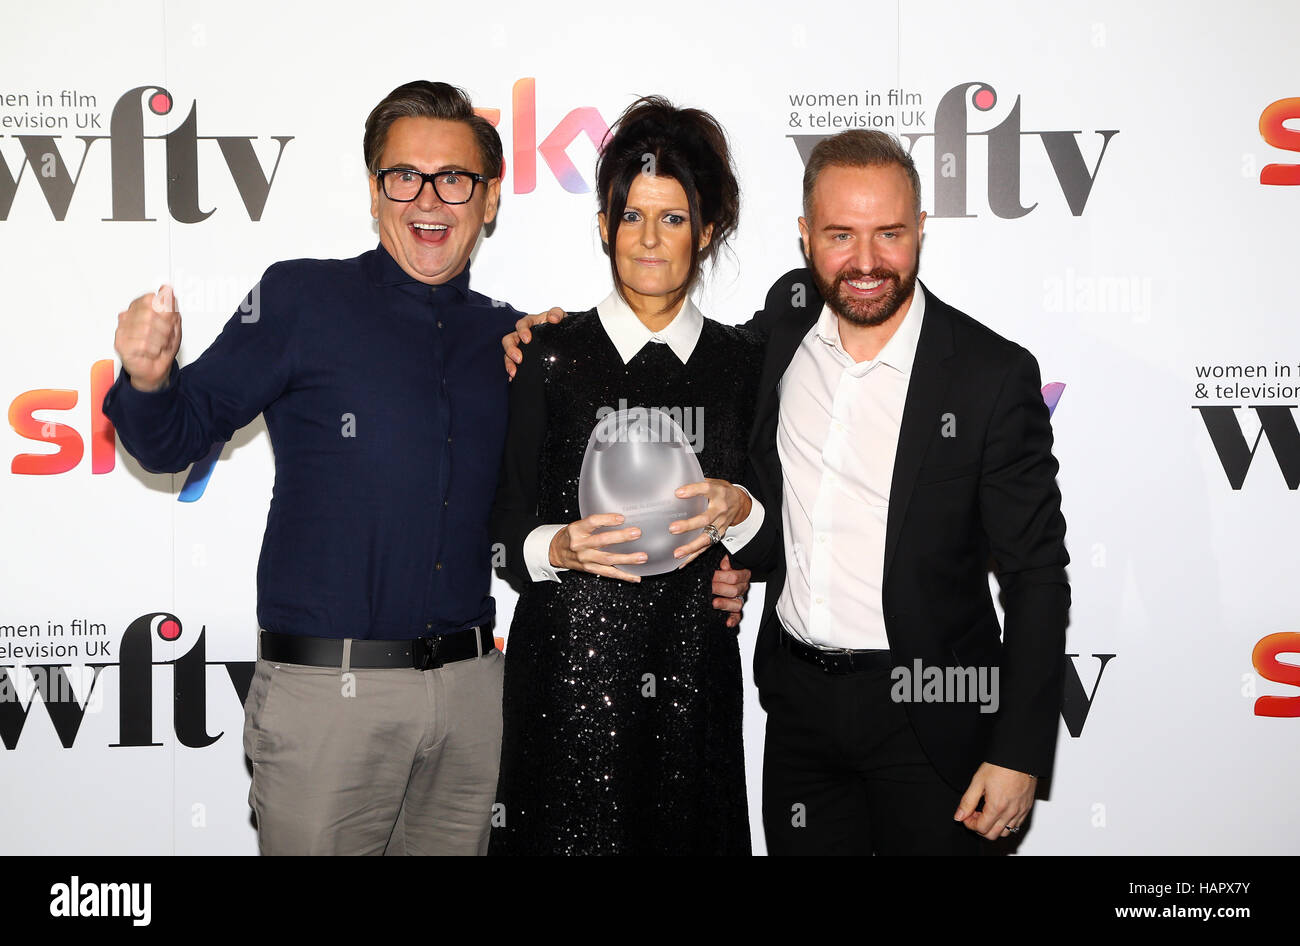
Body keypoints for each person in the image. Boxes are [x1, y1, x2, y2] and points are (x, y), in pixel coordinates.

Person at [507, 129, 1070, 856]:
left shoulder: (990, 375)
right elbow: (758, 506)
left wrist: (1019, 751)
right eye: (840, 234)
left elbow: (1036, 577)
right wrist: (528, 331)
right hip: (800, 717)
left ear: (922, 230)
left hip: (930, 715)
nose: (865, 262)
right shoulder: (780, 331)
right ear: (806, 238)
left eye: (889, 234)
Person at [104, 80, 523, 855]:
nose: (428, 198)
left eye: (455, 178)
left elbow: (538, 513)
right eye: (405, 175)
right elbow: (176, 438)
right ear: (375, 191)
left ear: (488, 199)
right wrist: (150, 379)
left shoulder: (510, 338)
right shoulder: (300, 298)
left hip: (471, 700)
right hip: (329, 699)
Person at [489, 96, 765, 854]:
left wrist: (740, 512)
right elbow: (504, 524)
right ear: (605, 224)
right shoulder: (546, 355)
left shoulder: (744, 365)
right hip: (563, 688)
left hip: (693, 683)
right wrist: (557, 548)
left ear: (707, 231)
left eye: (673, 219)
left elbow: (774, 518)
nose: (649, 239)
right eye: (633, 216)